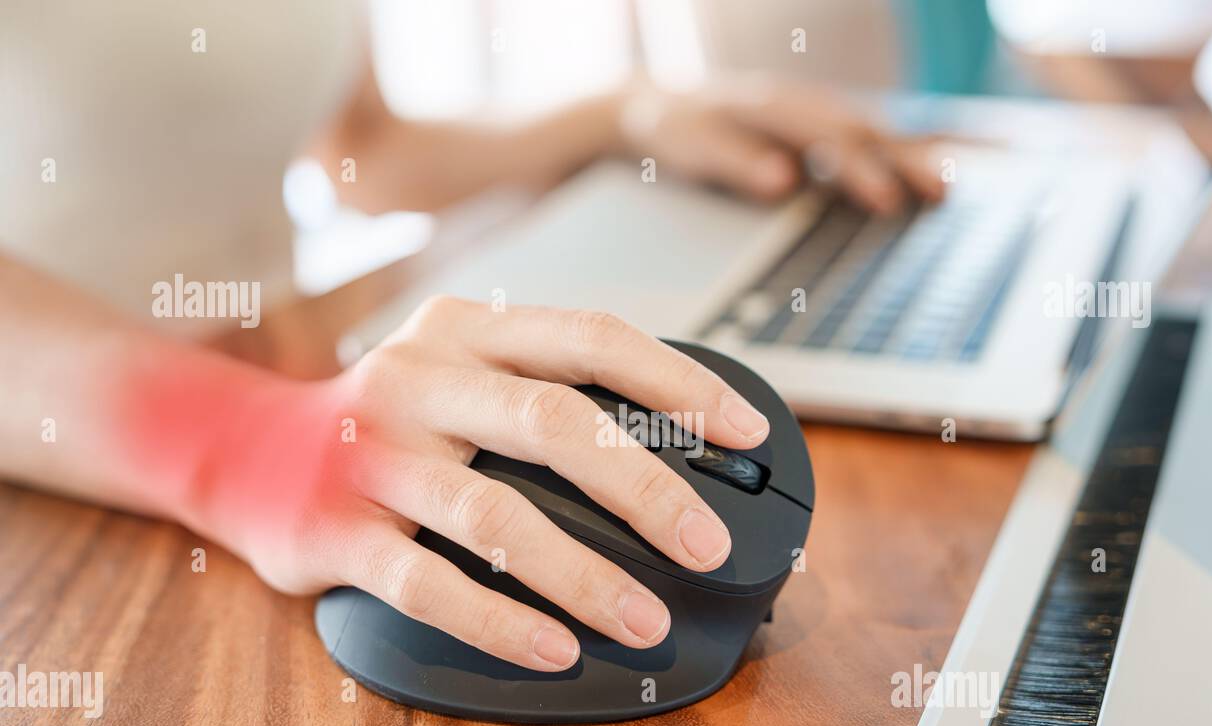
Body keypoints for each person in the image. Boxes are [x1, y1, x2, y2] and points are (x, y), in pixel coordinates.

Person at [0, 1, 940, 671]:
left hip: (313, 389)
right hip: (68, 491)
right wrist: (248, 442)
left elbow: (366, 148)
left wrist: (625, 112)